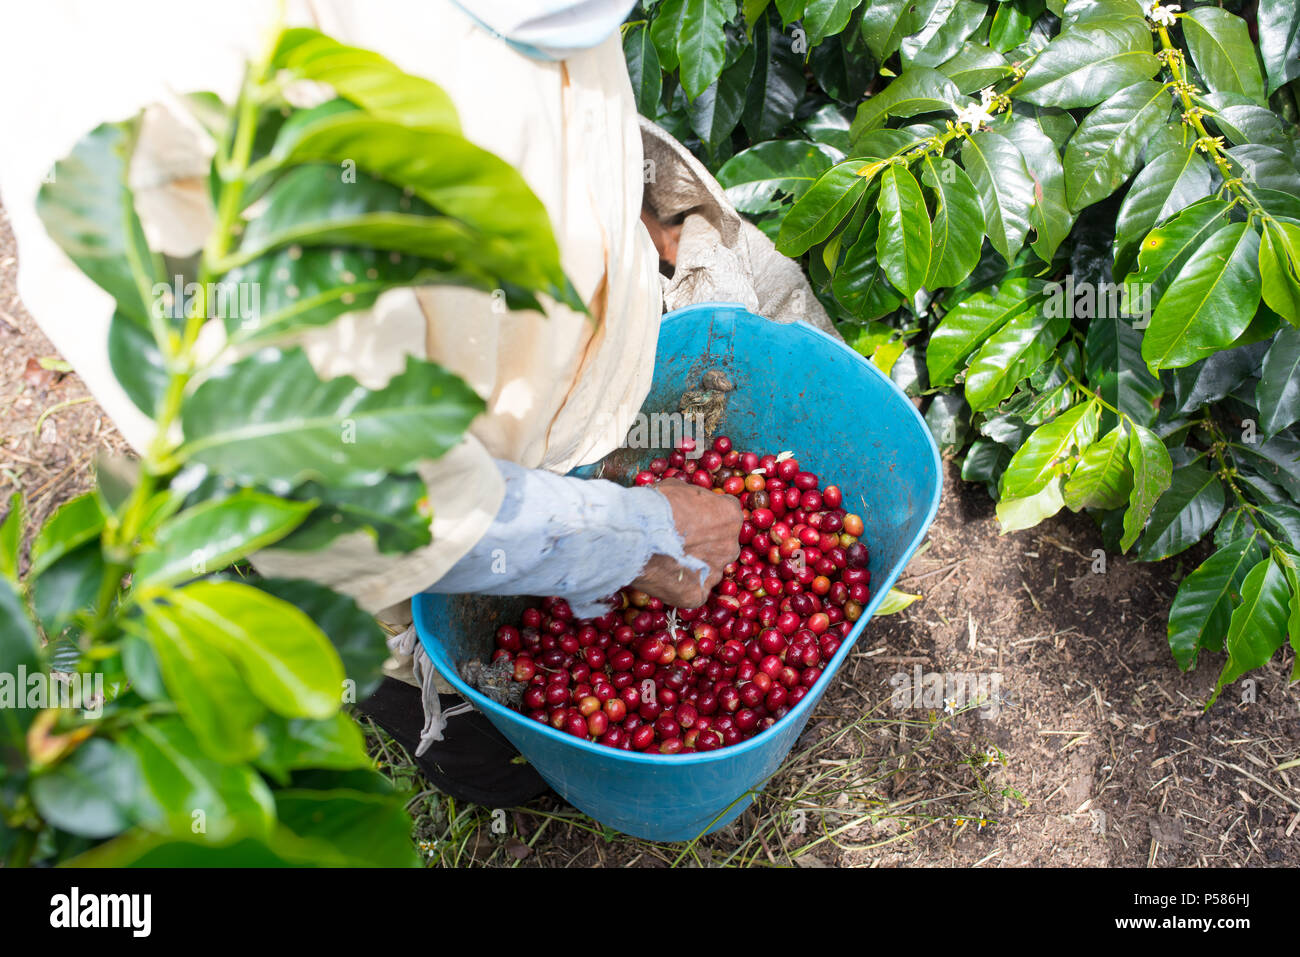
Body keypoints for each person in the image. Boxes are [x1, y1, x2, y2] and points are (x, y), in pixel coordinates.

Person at [0, 0, 752, 802]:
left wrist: (609, 202)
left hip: (528, 437)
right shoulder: (155, 72)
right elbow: (347, 484)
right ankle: (464, 726)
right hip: (420, 534)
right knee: (500, 746)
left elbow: (516, 77)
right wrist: (638, 535)